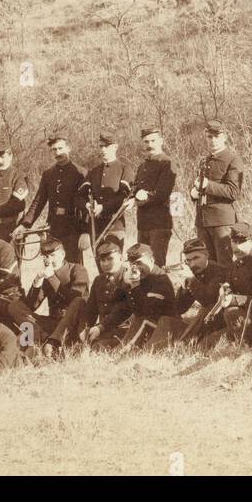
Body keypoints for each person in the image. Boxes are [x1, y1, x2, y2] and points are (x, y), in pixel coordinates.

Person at [50, 236, 131, 352]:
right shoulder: (99, 280)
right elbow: (91, 310)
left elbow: (123, 311)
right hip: (101, 329)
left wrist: (100, 328)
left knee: (97, 348)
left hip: (122, 330)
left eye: (110, 259)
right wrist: (84, 330)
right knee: (73, 347)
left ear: (121, 258)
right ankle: (56, 343)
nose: (106, 264)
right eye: (103, 260)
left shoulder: (128, 279)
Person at [19, 136, 86, 264]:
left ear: (69, 148)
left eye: (60, 148)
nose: (57, 152)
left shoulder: (81, 173)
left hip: (73, 229)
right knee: (51, 265)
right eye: (54, 150)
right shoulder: (48, 174)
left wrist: (85, 232)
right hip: (53, 227)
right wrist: (25, 224)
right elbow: (38, 201)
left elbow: (86, 205)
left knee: (73, 267)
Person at [22, 238, 90, 348]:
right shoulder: (47, 274)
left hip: (73, 324)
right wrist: (38, 281)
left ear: (63, 254)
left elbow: (76, 300)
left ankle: (51, 342)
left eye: (53, 255)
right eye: (46, 257)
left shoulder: (77, 269)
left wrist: (52, 278)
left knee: (78, 301)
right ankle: (38, 338)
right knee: (15, 306)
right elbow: (31, 307)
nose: (49, 260)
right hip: (53, 322)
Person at [192, 121, 243, 266]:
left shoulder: (232, 159)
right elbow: (198, 185)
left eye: (216, 136)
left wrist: (207, 185)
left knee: (224, 265)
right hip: (202, 221)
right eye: (209, 136)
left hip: (222, 222)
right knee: (207, 265)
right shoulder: (204, 160)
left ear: (224, 137)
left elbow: (234, 191)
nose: (212, 140)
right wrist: (193, 192)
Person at [81, 134, 133, 262]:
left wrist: (103, 207)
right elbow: (79, 196)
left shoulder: (124, 169)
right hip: (96, 227)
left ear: (115, 147)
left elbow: (124, 196)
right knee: (101, 266)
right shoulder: (94, 172)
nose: (103, 149)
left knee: (114, 265)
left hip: (115, 226)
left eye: (107, 146)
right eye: (101, 146)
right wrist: (86, 205)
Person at [132, 126, 177, 265]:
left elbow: (162, 194)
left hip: (159, 224)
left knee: (157, 267)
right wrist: (132, 196)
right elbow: (135, 188)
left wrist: (139, 199)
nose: (149, 145)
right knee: (141, 265)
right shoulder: (142, 166)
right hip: (143, 223)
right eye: (146, 142)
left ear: (161, 141)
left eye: (153, 141)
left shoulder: (167, 163)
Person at [120, 244, 179, 349]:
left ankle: (123, 350)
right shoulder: (142, 276)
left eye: (139, 263)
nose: (135, 268)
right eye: (132, 264)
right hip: (152, 325)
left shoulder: (160, 279)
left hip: (165, 326)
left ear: (151, 260)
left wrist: (135, 285)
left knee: (141, 321)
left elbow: (147, 312)